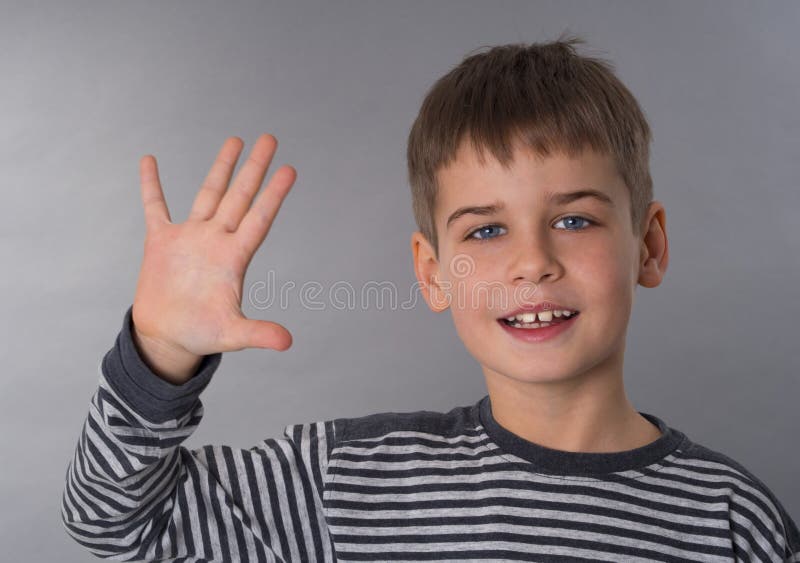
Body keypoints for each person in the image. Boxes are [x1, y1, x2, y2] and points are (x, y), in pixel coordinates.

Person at [61, 35, 800, 562]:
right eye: (484, 231)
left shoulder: (729, 520)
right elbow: (117, 524)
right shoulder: (346, 483)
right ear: (431, 271)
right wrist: (158, 353)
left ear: (649, 243)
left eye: (573, 219)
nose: (532, 263)